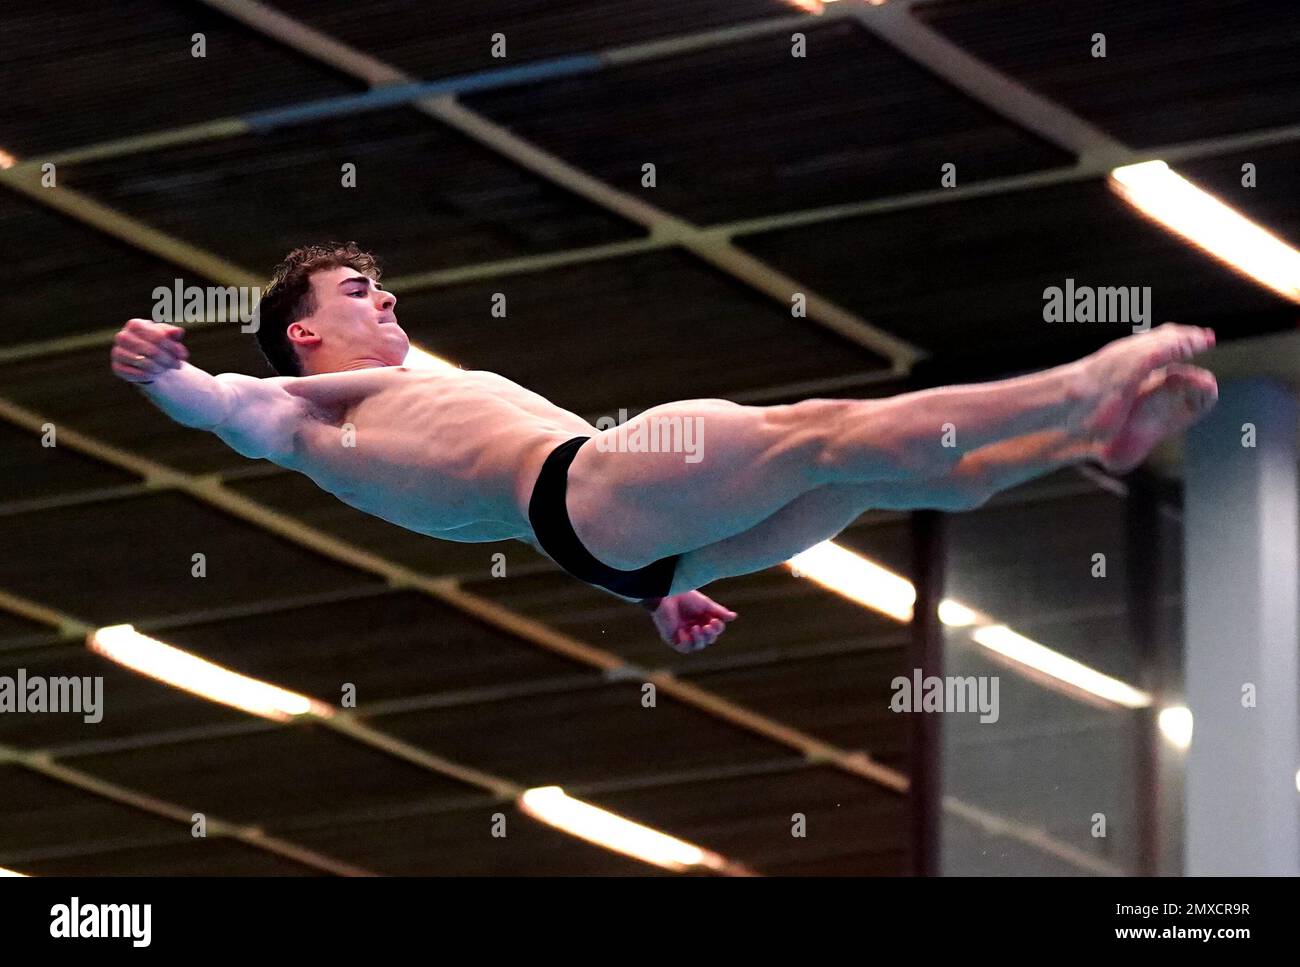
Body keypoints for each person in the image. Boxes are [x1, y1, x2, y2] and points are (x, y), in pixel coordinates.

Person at [111, 243, 1218, 654]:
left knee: (873, 475)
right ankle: (1080, 380)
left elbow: (467, 487)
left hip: (627, 546)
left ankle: (1084, 437)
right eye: (359, 291)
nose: (385, 296)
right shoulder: (301, 410)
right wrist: (166, 370)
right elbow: (218, 403)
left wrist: (649, 592)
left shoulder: (402, 395)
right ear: (304, 328)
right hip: (586, 495)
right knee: (822, 430)